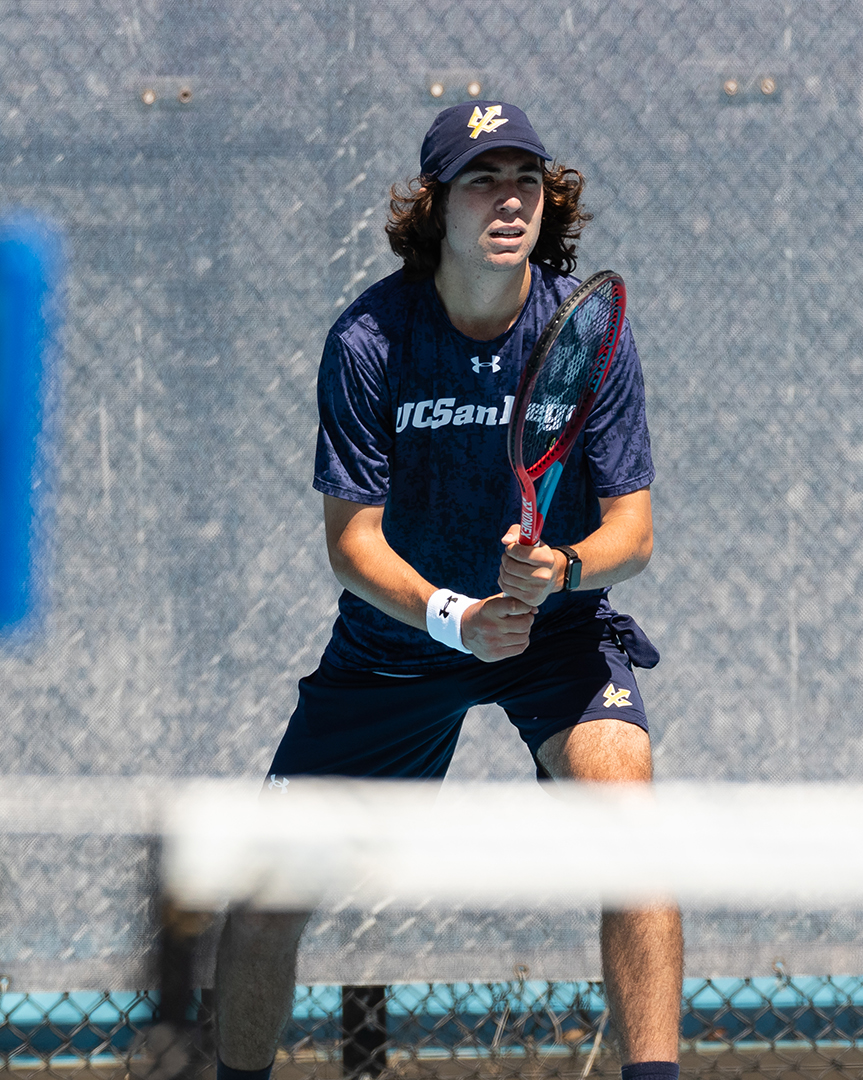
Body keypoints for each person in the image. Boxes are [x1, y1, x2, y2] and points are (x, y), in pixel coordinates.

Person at [208, 101, 682, 1080]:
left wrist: (564, 569)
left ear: (549, 201)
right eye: (482, 181)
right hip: (397, 644)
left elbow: (632, 532)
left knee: (636, 840)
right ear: (436, 206)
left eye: (526, 181)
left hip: (555, 635)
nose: (509, 201)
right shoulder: (370, 342)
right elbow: (353, 543)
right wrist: (451, 616)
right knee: (263, 898)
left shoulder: (584, 333)